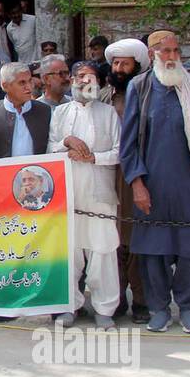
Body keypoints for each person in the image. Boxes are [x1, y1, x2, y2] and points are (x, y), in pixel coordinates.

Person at [119, 31, 190, 334]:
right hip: (153, 185)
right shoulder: (140, 86)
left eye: (176, 51)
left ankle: (188, 308)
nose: (172, 57)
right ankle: (159, 308)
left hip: (187, 183)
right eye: (165, 52)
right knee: (154, 252)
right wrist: (137, 183)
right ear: (152, 55)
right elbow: (129, 142)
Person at [48, 61, 121, 328]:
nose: (84, 81)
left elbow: (118, 151)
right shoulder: (60, 112)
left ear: (99, 83)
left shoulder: (109, 113)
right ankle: (69, 305)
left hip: (99, 191)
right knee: (70, 252)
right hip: (69, 192)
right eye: (80, 76)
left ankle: (105, 308)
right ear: (71, 80)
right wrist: (65, 145)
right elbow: (49, 149)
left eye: (90, 77)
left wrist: (94, 158)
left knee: (103, 251)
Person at [103, 37, 150, 322]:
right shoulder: (103, 96)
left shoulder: (145, 95)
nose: (119, 69)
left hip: (136, 175)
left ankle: (142, 300)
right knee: (113, 240)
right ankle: (116, 297)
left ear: (138, 66)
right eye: (116, 63)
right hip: (107, 175)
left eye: (125, 63)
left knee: (136, 240)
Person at [0, 61, 51, 158]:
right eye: (22, 83)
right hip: (2, 172)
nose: (29, 87)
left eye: (30, 81)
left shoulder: (45, 111)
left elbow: (53, 145)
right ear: (5, 86)